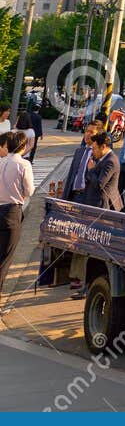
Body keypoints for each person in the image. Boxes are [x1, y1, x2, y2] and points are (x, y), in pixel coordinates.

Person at [0, 131, 35, 318]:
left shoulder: (1, 161)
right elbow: (29, 190)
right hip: (12, 212)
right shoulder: (23, 164)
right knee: (5, 260)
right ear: (23, 146)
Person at [83, 132, 122, 211]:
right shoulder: (101, 157)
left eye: (94, 148)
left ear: (103, 147)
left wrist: (91, 170)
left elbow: (99, 185)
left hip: (103, 205)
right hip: (94, 202)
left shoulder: (110, 161)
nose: (92, 151)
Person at [62, 124, 97, 202]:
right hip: (74, 194)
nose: (88, 134)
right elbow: (71, 175)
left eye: (91, 132)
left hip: (87, 197)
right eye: (87, 131)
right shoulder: (79, 151)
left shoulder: (98, 155)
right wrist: (64, 198)